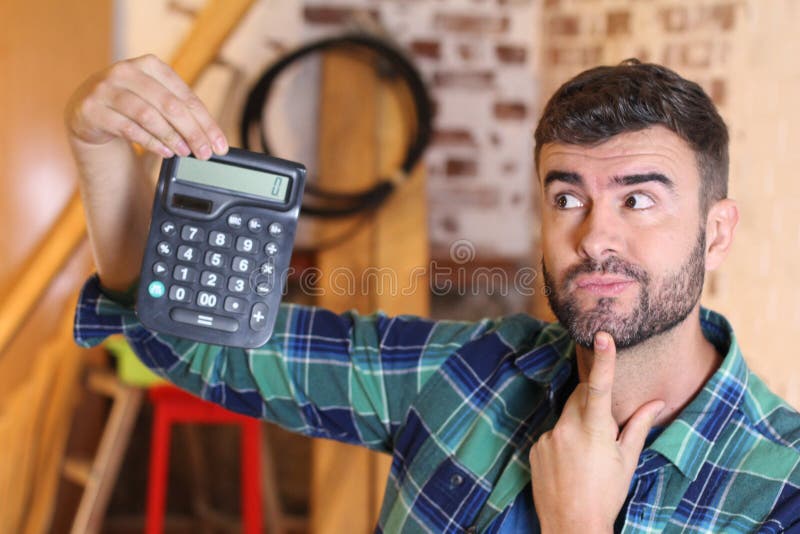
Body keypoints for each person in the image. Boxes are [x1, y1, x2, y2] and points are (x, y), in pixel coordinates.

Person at [66, 54, 800, 532]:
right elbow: (191, 336)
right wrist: (97, 146)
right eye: (567, 198)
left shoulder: (781, 491)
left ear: (717, 230)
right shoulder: (470, 370)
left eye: (639, 201)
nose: (594, 239)